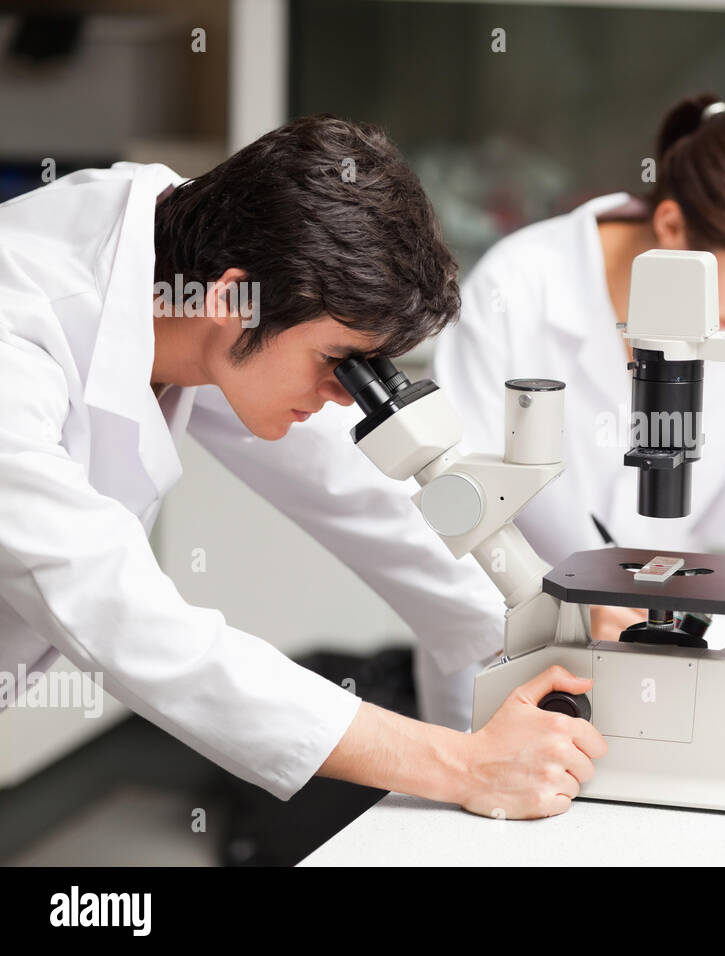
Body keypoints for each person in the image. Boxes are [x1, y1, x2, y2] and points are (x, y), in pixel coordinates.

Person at [0, 115, 603, 820]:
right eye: (335, 361)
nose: (342, 394)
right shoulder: (20, 345)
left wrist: (546, 624)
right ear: (229, 298)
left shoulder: (190, 253)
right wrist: (460, 765)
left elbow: (353, 487)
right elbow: (123, 618)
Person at [417, 94, 725, 723]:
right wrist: (560, 612)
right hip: (520, 651)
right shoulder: (520, 288)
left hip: (679, 646)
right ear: (670, 228)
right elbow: (449, 497)